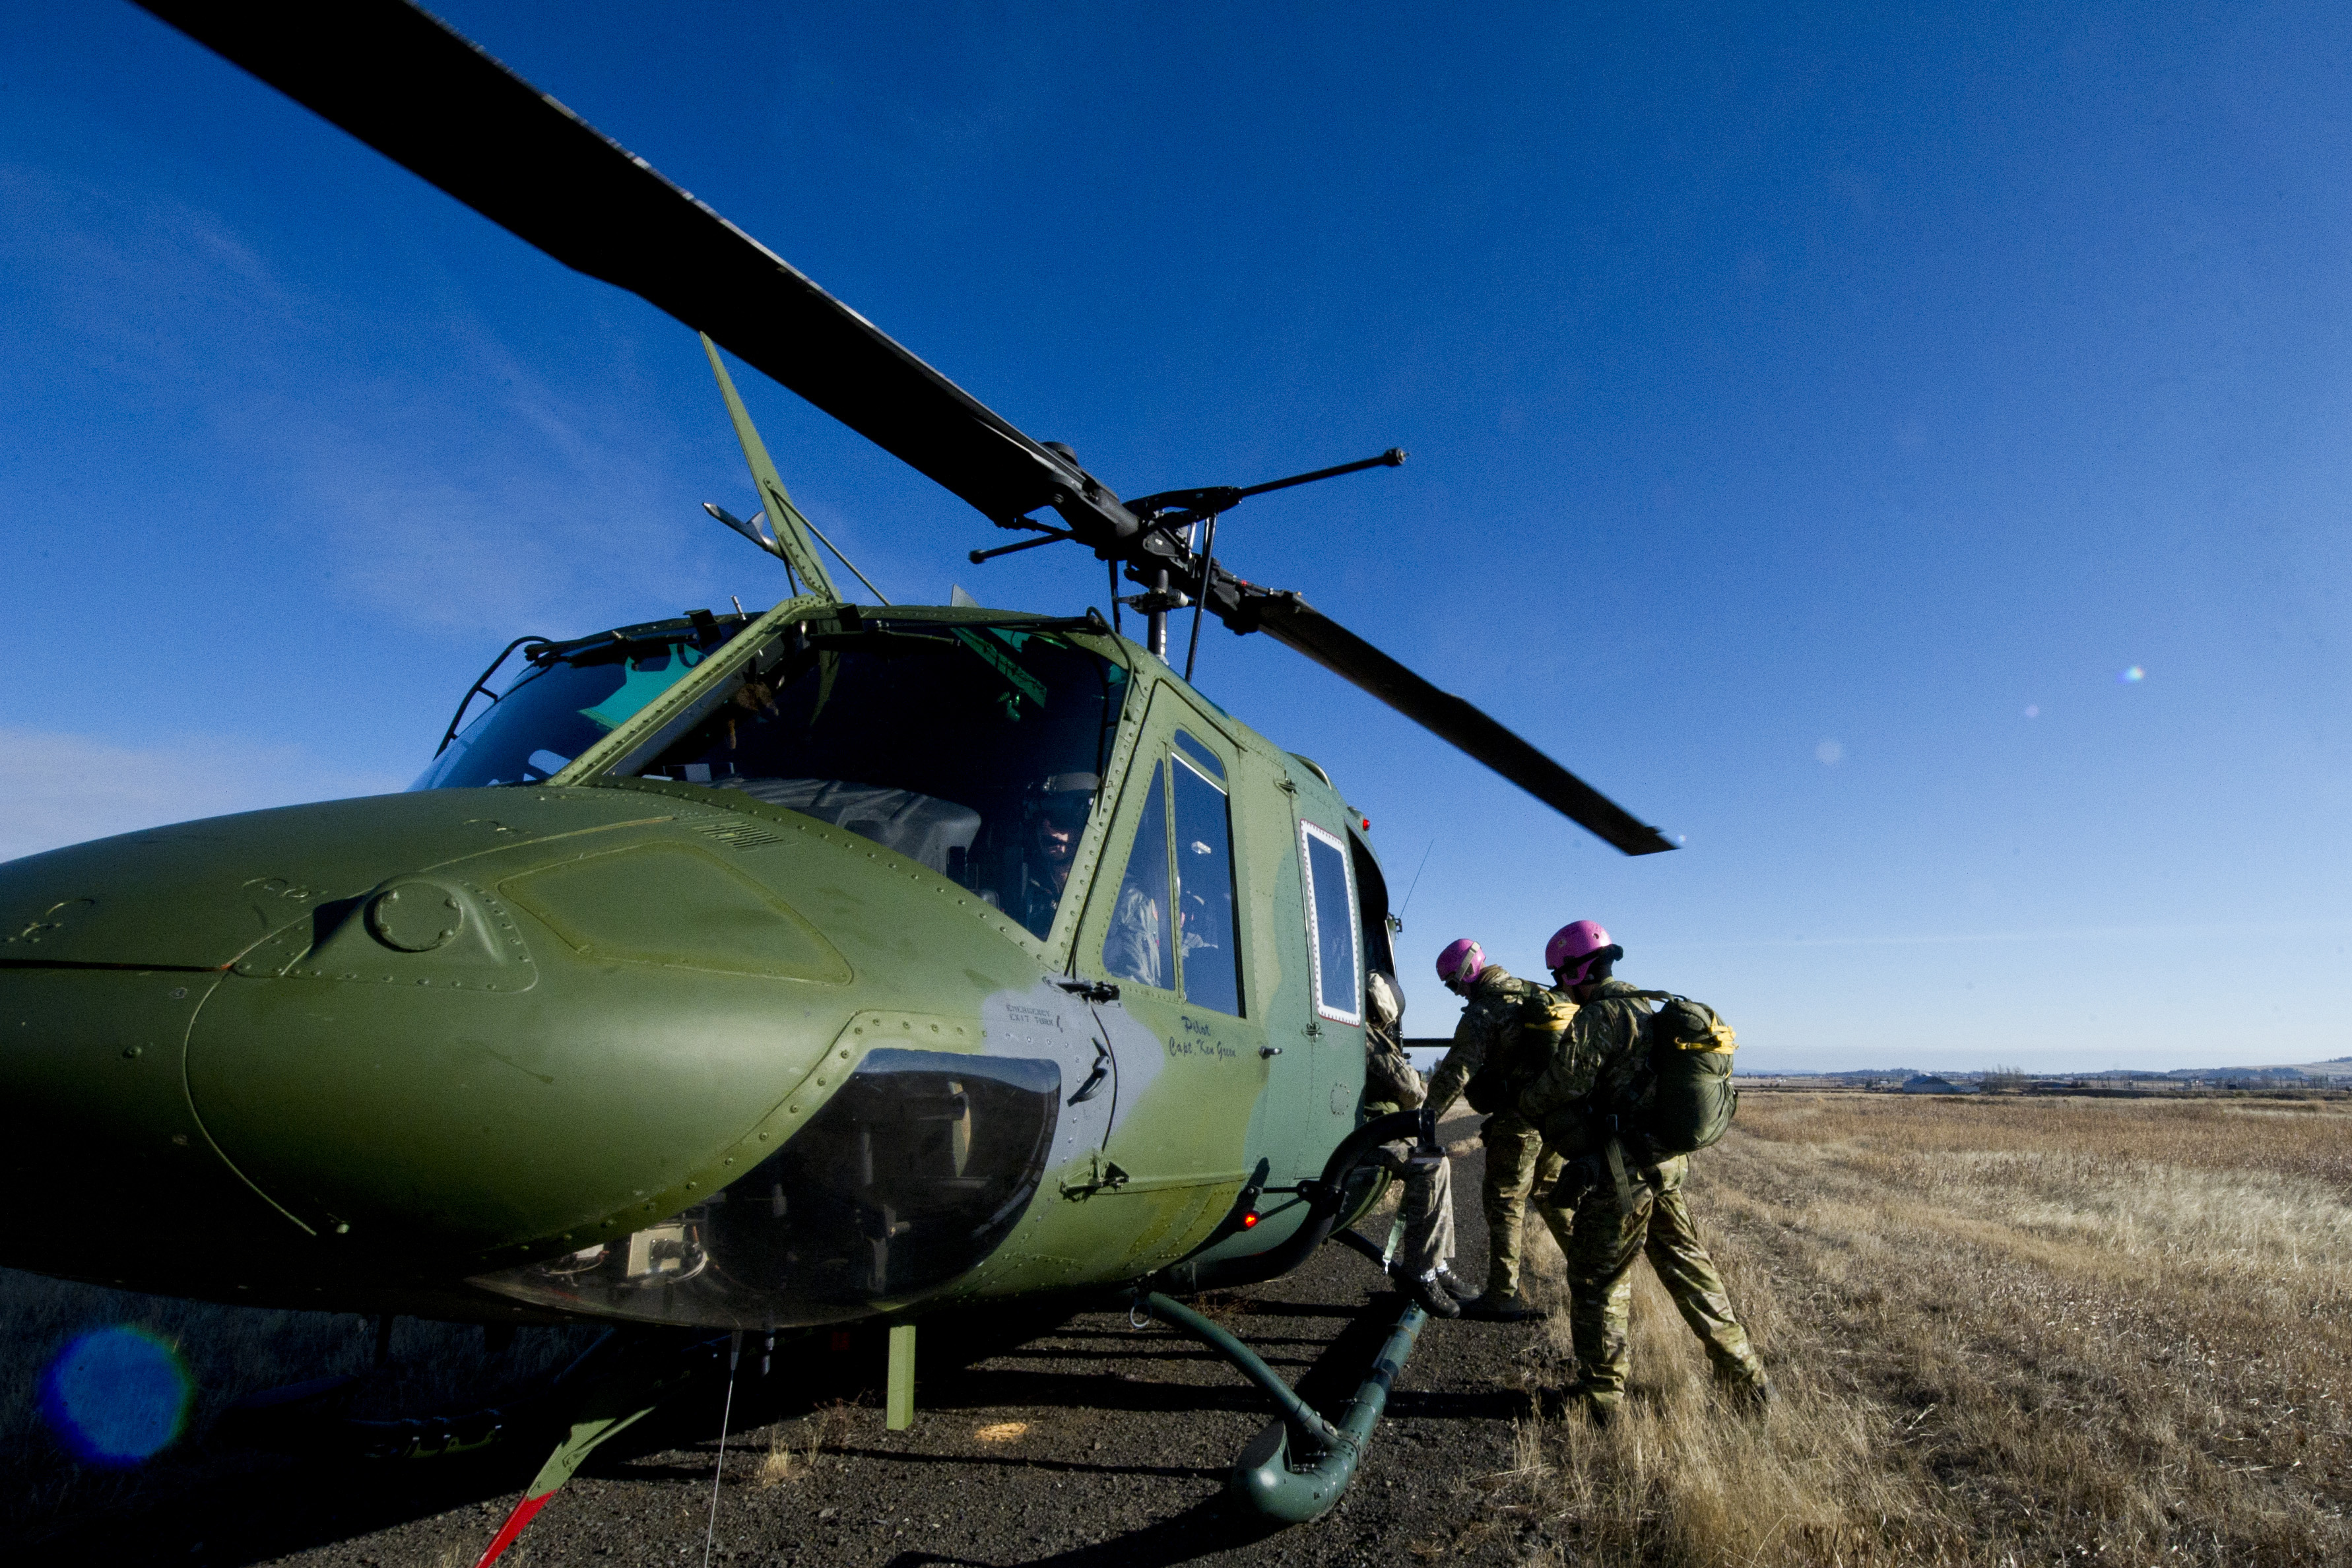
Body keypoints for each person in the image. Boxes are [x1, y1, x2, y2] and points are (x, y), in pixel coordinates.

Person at [1519, 920, 1771, 1421]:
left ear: (1579, 971)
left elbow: (1561, 1086)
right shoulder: (1650, 1008)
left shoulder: (1600, 1017)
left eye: (1561, 978)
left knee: (1597, 1281)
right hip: (1663, 1168)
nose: (1560, 989)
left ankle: (1603, 1400)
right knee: (1692, 1273)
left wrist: (1523, 1098)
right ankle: (1747, 1378)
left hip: (1623, 1175)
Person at [1423, 938, 1577, 1322]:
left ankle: (1503, 1295)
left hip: (1518, 1119)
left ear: (1466, 974)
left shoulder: (1483, 1012)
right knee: (1548, 1193)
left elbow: (1456, 1073)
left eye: (1450, 982)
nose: (1452, 989)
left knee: (1505, 1202)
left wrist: (1423, 1120)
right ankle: (1594, 1275)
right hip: (1555, 1117)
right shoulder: (1532, 993)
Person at [1361, 970, 1475, 1319]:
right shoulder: (1363, 1035)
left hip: (1368, 1134)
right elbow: (1412, 1089)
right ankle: (1420, 1272)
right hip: (1361, 1139)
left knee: (1436, 1159)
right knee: (1431, 1166)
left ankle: (1435, 1262)